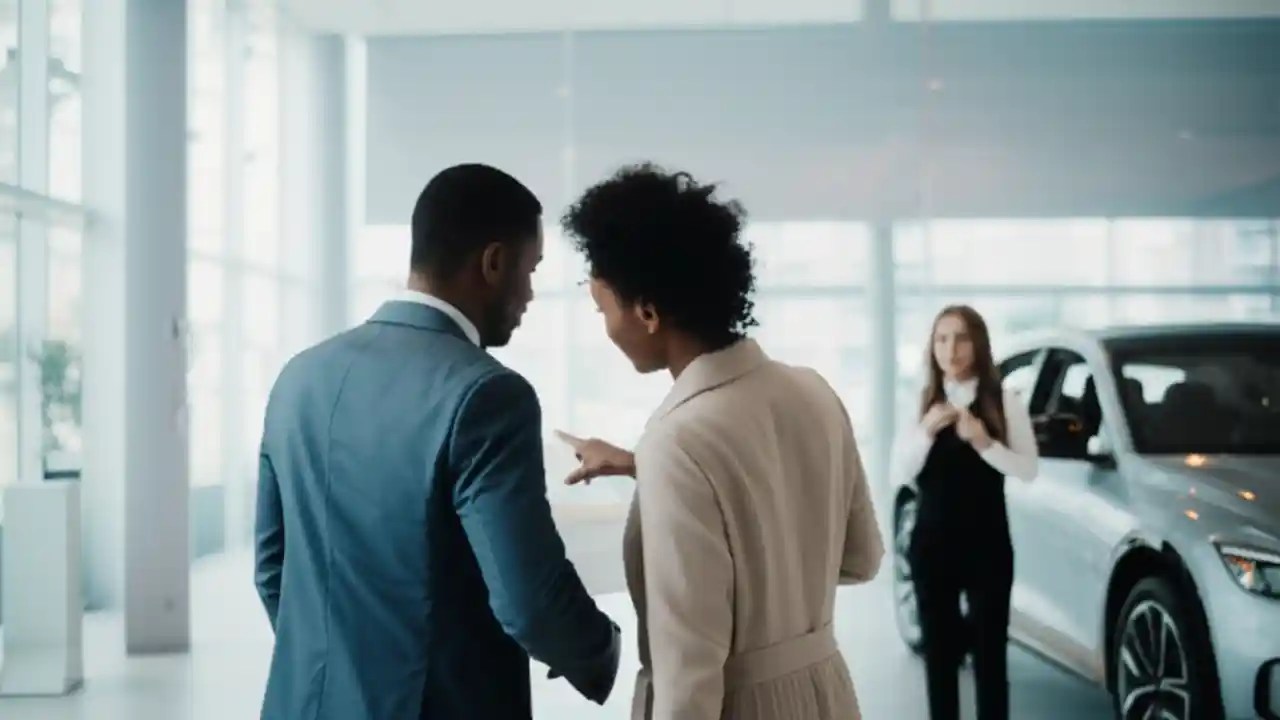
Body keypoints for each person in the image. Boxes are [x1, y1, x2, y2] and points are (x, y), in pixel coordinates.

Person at [254, 163, 621, 720]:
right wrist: (603, 649)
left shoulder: (299, 377)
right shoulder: (487, 395)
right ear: (493, 262)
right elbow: (528, 601)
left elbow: (273, 565)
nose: (529, 294)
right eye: (531, 269)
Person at [555, 163, 884, 720]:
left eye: (602, 309)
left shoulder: (679, 443)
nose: (604, 328)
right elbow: (861, 559)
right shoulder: (812, 392)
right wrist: (648, 471)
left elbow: (689, 677)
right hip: (827, 695)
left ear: (648, 312)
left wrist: (661, 470)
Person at [892, 304, 1038, 720]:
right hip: (931, 548)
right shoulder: (921, 402)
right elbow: (898, 472)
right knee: (939, 661)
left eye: (960, 338)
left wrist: (983, 443)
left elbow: (1028, 470)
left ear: (977, 344)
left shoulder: (1003, 401)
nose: (950, 349)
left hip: (987, 547)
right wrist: (924, 434)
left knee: (991, 659)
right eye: (941, 339)